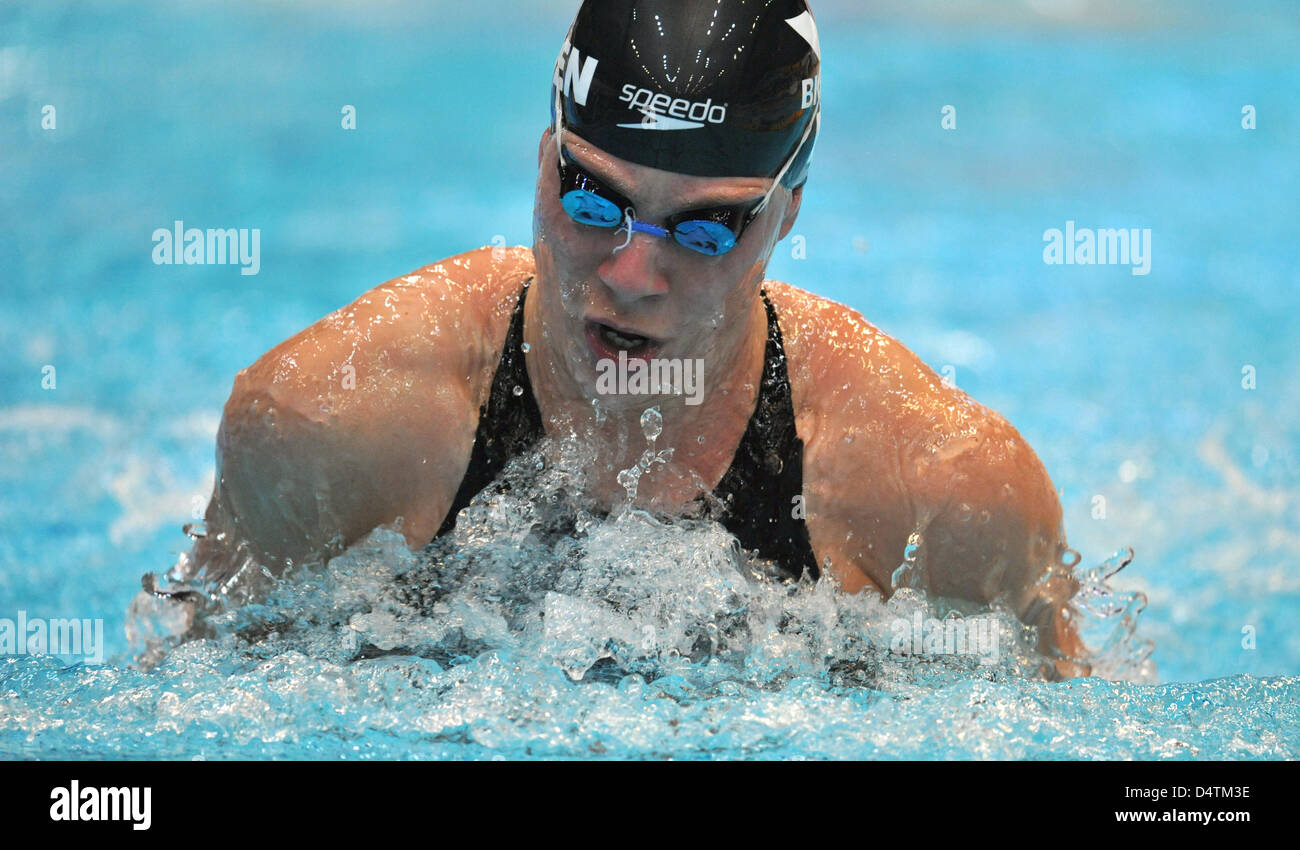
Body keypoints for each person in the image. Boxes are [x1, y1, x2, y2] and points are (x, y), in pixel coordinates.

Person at [178, 0, 1087, 675]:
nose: (629, 274)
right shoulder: (327, 426)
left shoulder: (937, 495)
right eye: (590, 200)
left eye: (704, 230)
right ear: (544, 158)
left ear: (786, 219)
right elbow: (192, 709)